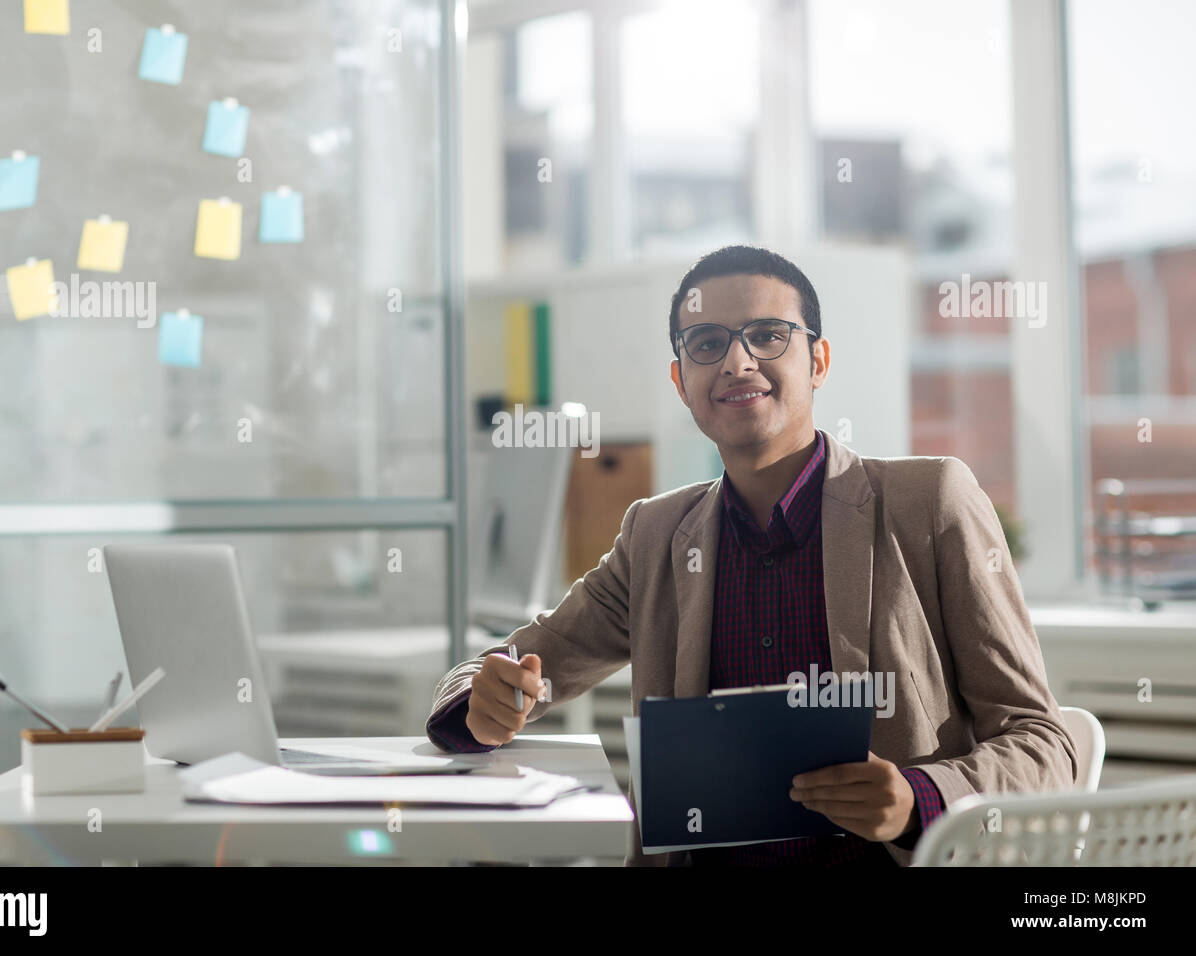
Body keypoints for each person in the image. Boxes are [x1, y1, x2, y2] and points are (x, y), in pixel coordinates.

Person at [427, 244, 1077, 867]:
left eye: (768, 335)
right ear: (682, 381)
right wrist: (483, 702)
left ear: (818, 361)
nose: (737, 363)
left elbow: (1044, 744)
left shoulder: (929, 502)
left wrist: (920, 798)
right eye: (708, 344)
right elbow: (514, 662)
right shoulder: (654, 534)